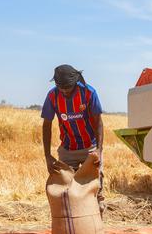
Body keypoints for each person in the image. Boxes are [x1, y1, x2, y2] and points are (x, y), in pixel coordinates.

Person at [41, 64, 105, 214]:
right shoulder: (52, 96)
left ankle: (95, 230)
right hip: (67, 149)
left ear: (76, 82)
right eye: (61, 89)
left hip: (89, 147)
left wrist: (99, 150)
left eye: (68, 89)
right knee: (65, 191)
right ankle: (70, 232)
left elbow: (98, 123)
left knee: (95, 190)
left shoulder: (89, 93)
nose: (65, 92)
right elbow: (46, 125)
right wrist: (47, 156)